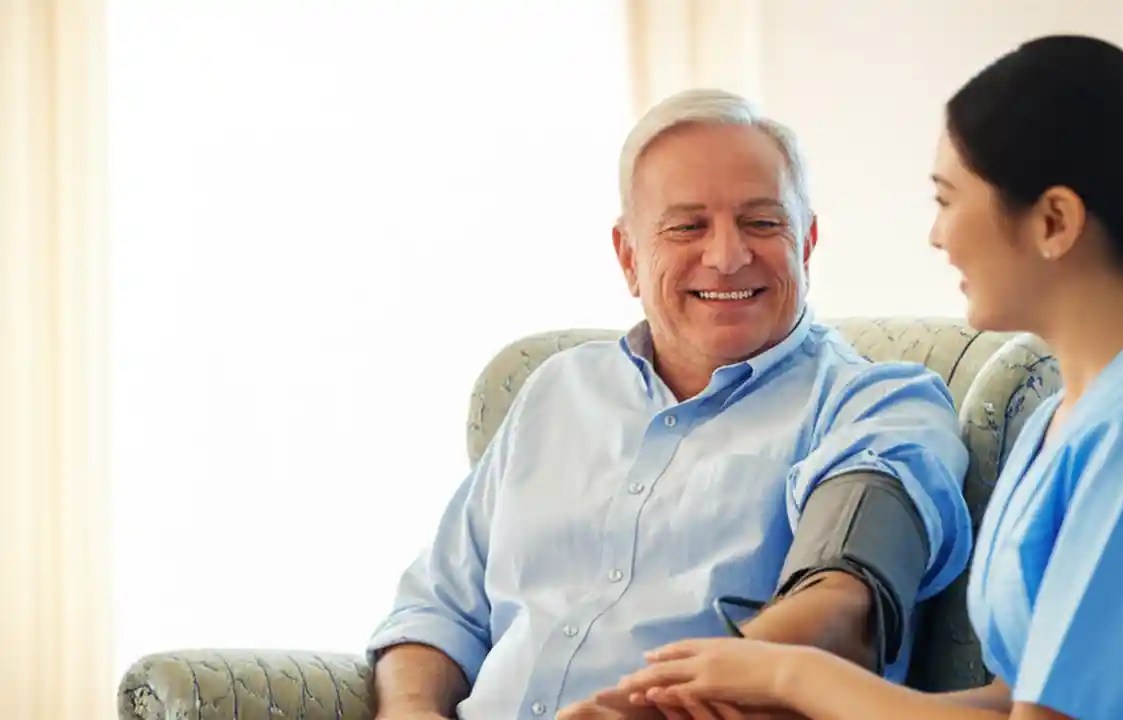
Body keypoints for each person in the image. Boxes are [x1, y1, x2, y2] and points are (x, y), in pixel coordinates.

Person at [611, 35, 1123, 720]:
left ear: (1054, 221)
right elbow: (1018, 698)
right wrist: (763, 680)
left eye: (948, 198)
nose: (938, 236)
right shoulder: (1071, 415)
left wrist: (793, 677)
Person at [367, 89, 975, 720]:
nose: (727, 255)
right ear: (628, 256)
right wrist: (410, 710)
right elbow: (437, 611)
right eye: (687, 226)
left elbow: (842, 606)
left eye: (763, 222)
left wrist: (643, 710)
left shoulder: (877, 405)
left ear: (809, 241)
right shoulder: (555, 391)